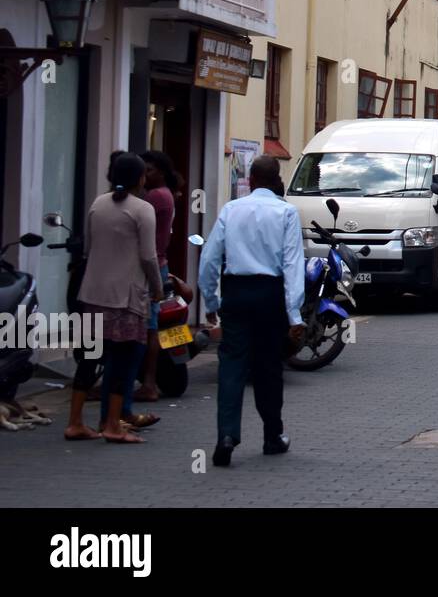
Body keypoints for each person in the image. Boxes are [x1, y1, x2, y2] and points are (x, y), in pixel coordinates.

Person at [198, 155, 306, 467]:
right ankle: (273, 435)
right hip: (270, 296)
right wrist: (294, 314)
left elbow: (209, 259)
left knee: (231, 366)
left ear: (251, 180)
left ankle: (226, 436)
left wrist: (211, 303)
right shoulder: (286, 212)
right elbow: (292, 264)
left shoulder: (231, 209)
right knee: (268, 368)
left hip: (235, 293)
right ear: (276, 180)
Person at [65, 153, 163, 444]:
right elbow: (148, 256)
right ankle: (112, 425)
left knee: (90, 358)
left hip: (93, 293)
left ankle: (74, 422)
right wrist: (157, 288)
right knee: (123, 359)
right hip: (125, 296)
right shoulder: (143, 209)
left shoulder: (98, 203)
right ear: (140, 178)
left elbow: (90, 248)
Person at [132, 150, 191, 409]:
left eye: (151, 170)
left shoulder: (155, 196)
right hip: (159, 263)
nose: (146, 174)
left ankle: (148, 382)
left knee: (150, 327)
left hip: (151, 266)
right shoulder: (165, 194)